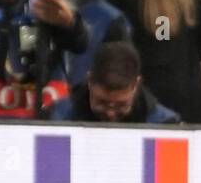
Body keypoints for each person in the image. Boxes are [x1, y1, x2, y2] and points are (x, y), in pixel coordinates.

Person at [51, 40, 179, 123]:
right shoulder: (58, 119)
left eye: (121, 105)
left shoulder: (164, 126)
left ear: (137, 85)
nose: (110, 114)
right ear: (89, 80)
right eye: (101, 102)